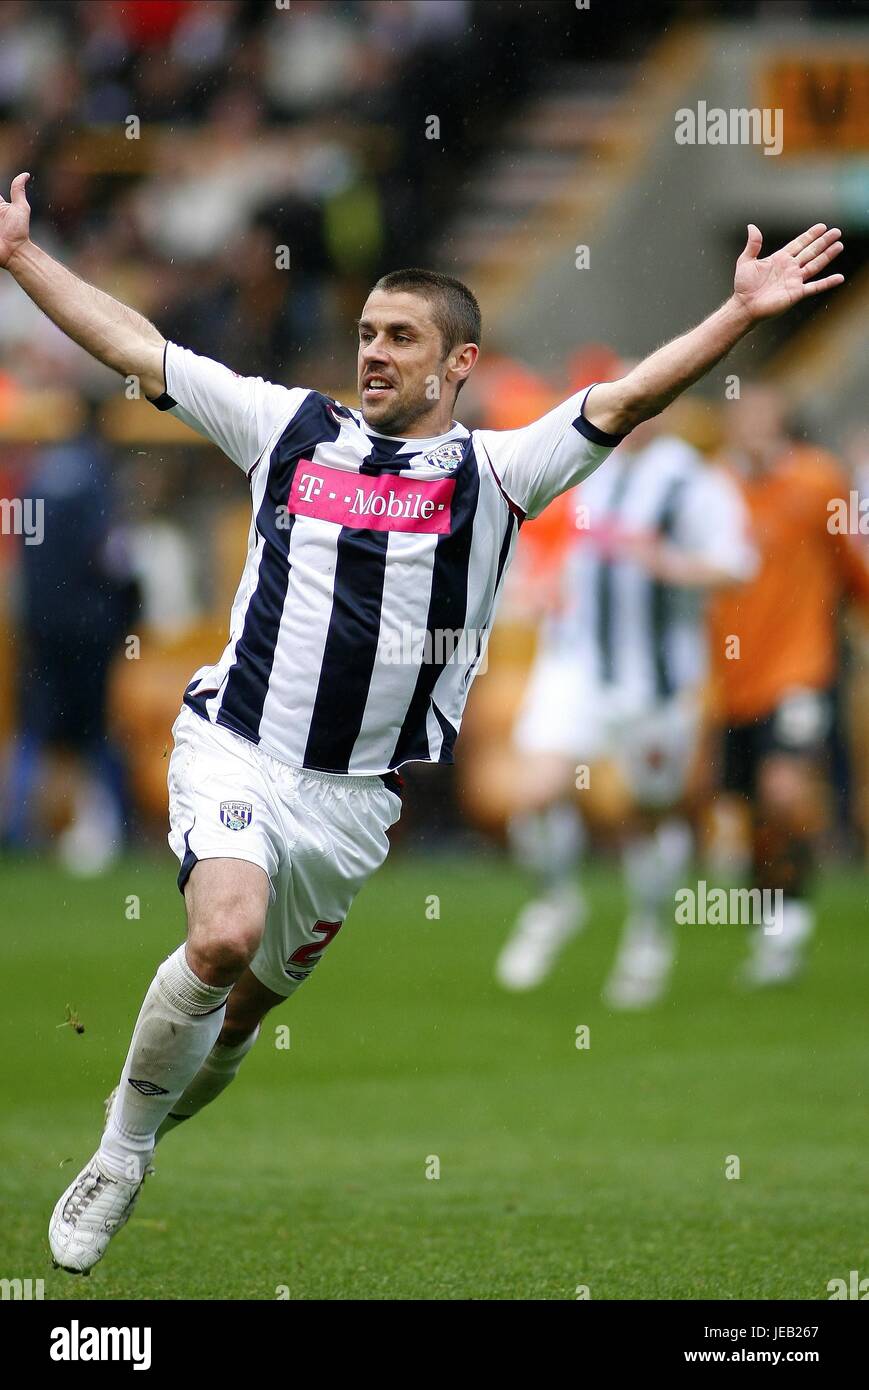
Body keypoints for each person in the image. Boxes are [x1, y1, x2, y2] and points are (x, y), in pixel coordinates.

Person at [0, 170, 844, 1271]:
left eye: (400, 336)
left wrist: (736, 312)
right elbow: (137, 349)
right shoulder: (285, 426)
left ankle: (146, 1127)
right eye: (364, 332)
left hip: (352, 809)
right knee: (221, 933)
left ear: (458, 364)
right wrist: (21, 258)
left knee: (238, 1018)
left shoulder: (495, 474)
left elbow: (627, 396)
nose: (373, 352)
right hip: (239, 745)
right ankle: (117, 1153)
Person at [496, 413, 756, 1006]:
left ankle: (648, 934)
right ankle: (557, 899)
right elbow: (576, 552)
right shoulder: (593, 468)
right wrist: (546, 586)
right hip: (577, 664)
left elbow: (738, 566)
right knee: (535, 791)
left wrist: (667, 562)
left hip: (656, 681)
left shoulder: (695, 483)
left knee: (650, 813)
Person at [710, 386, 869, 986]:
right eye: (740, 414)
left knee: (784, 791)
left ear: (783, 421)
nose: (749, 424)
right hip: (732, 679)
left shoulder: (818, 481)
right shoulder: (714, 486)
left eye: (760, 414)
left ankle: (791, 917)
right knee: (749, 812)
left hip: (801, 669)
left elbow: (854, 563)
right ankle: (772, 917)